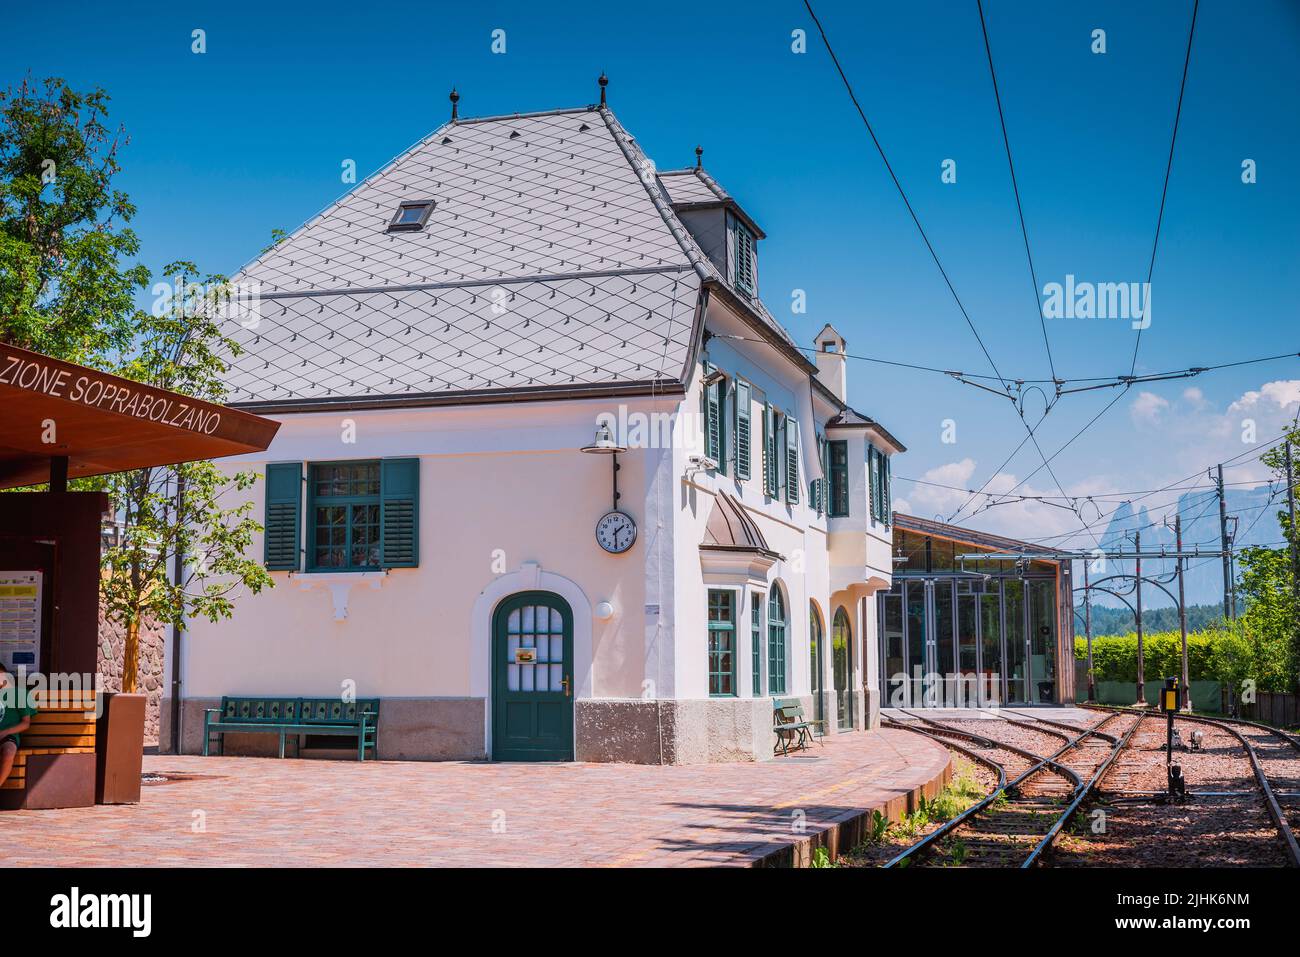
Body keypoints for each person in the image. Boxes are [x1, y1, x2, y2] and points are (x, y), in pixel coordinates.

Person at [0, 663, 35, 789]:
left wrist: (5, 732)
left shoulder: (18, 694)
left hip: (8, 736)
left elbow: (26, 723)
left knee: (9, 752)